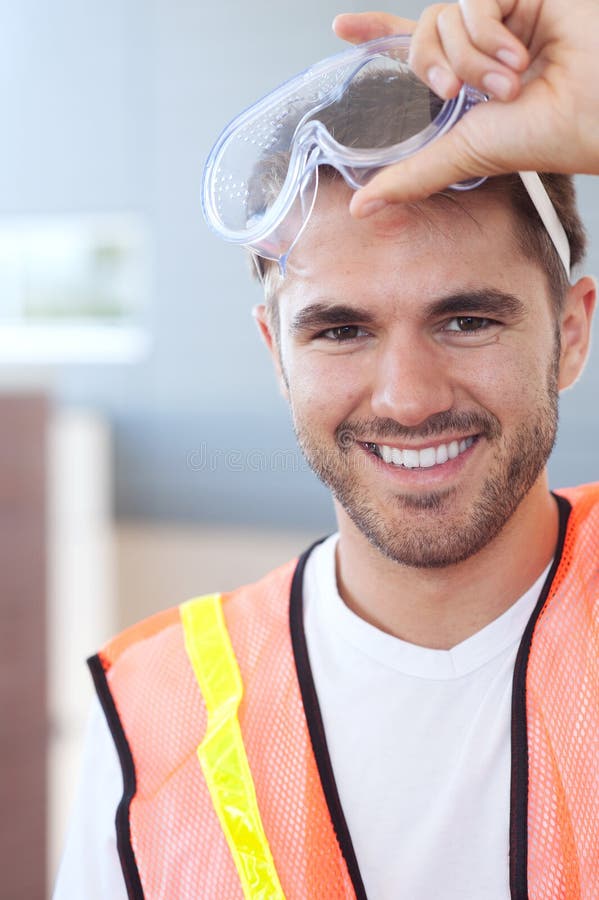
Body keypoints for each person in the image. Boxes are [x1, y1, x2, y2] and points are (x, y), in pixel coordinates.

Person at [55, 3, 599, 898]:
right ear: (276, 353)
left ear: (569, 333)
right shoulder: (150, 721)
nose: (408, 396)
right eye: (341, 330)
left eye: (466, 319)